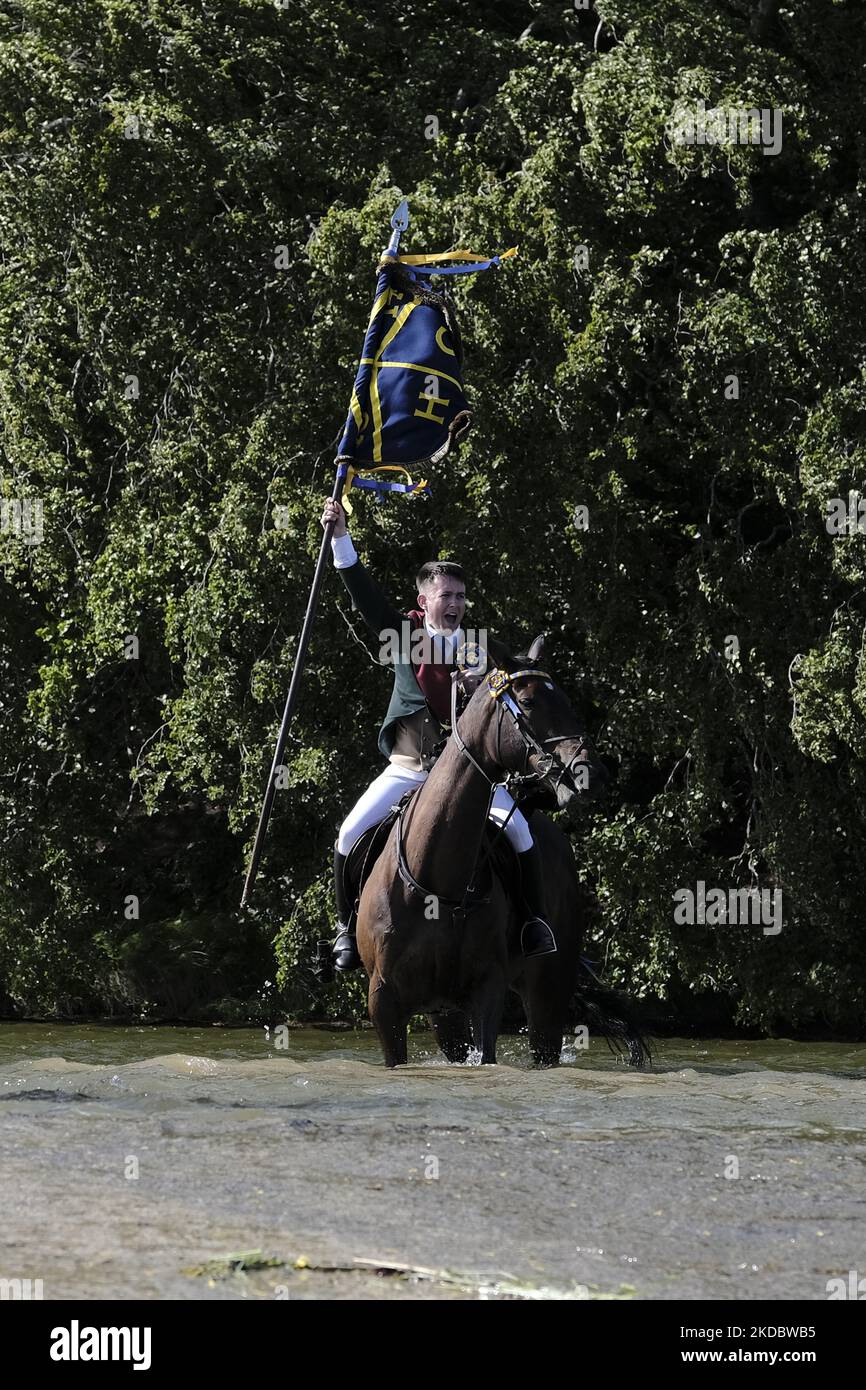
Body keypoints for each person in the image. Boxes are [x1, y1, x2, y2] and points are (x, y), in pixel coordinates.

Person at [321, 497, 557, 971]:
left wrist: (485, 688)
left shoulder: (483, 647)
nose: (456, 604)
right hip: (410, 768)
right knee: (348, 834)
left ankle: (534, 922)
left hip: (469, 779)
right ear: (424, 601)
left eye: (461, 596)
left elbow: (521, 685)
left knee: (520, 832)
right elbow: (363, 595)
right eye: (446, 596)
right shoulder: (403, 633)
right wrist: (341, 535)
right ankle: (347, 930)